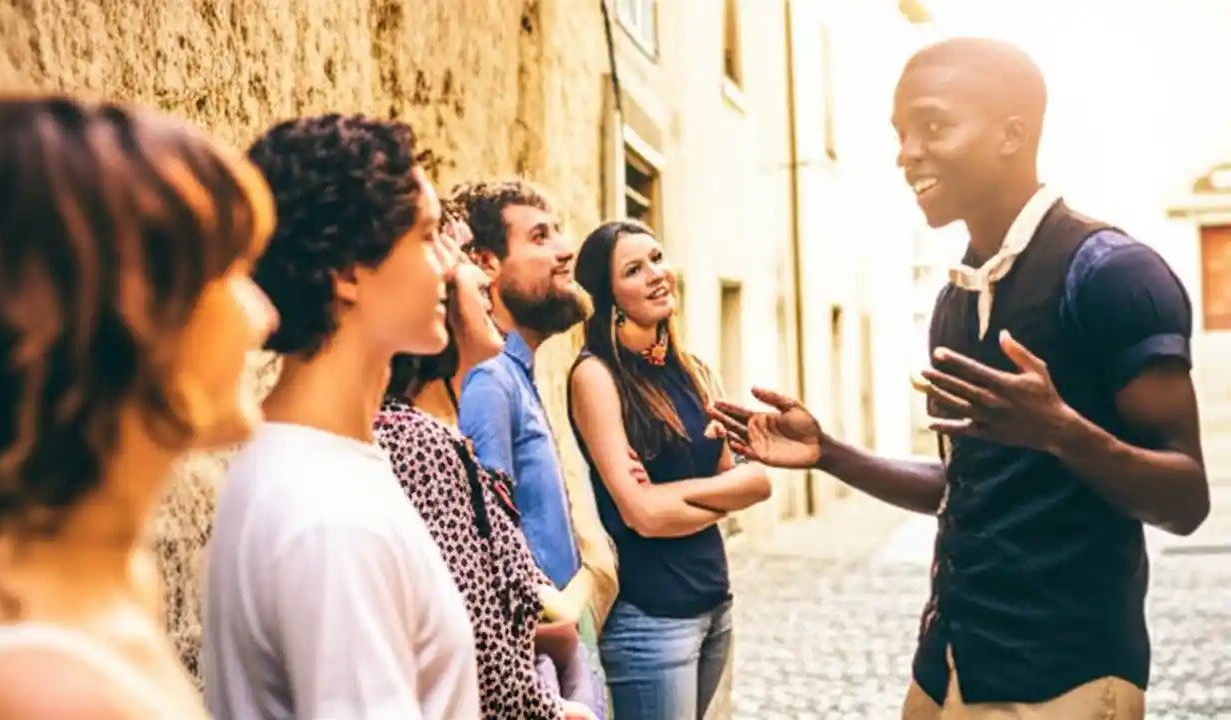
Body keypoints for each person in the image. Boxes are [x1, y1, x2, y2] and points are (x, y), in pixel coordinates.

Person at [710, 37, 1208, 720]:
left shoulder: (1113, 274)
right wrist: (830, 453)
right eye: (901, 134)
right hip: (949, 668)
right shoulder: (956, 300)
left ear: (1013, 134)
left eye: (934, 127)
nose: (906, 153)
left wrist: (1063, 433)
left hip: (1066, 680)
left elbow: (1187, 500)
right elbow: (967, 487)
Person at [0, 97, 277, 719]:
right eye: (229, 273)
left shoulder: (103, 583)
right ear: (127, 309)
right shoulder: (32, 691)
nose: (262, 317)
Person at [202, 114, 479, 719]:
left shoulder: (306, 462)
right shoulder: (329, 516)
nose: (450, 266)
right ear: (350, 270)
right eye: (428, 236)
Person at [375, 204, 597, 720]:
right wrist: (556, 711)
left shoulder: (442, 439)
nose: (491, 304)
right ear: (441, 316)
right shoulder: (423, 445)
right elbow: (480, 635)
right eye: (477, 292)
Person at [567, 220, 772, 719]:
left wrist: (672, 496)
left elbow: (759, 480)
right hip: (651, 619)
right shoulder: (595, 376)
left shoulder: (694, 370)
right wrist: (719, 495)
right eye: (635, 269)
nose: (657, 275)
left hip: (715, 603)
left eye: (657, 258)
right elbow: (643, 517)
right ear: (608, 295)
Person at [452, 179, 616, 717]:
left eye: (559, 232)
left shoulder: (516, 372)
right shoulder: (489, 382)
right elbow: (488, 555)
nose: (565, 250)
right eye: (540, 236)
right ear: (486, 262)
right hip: (540, 671)